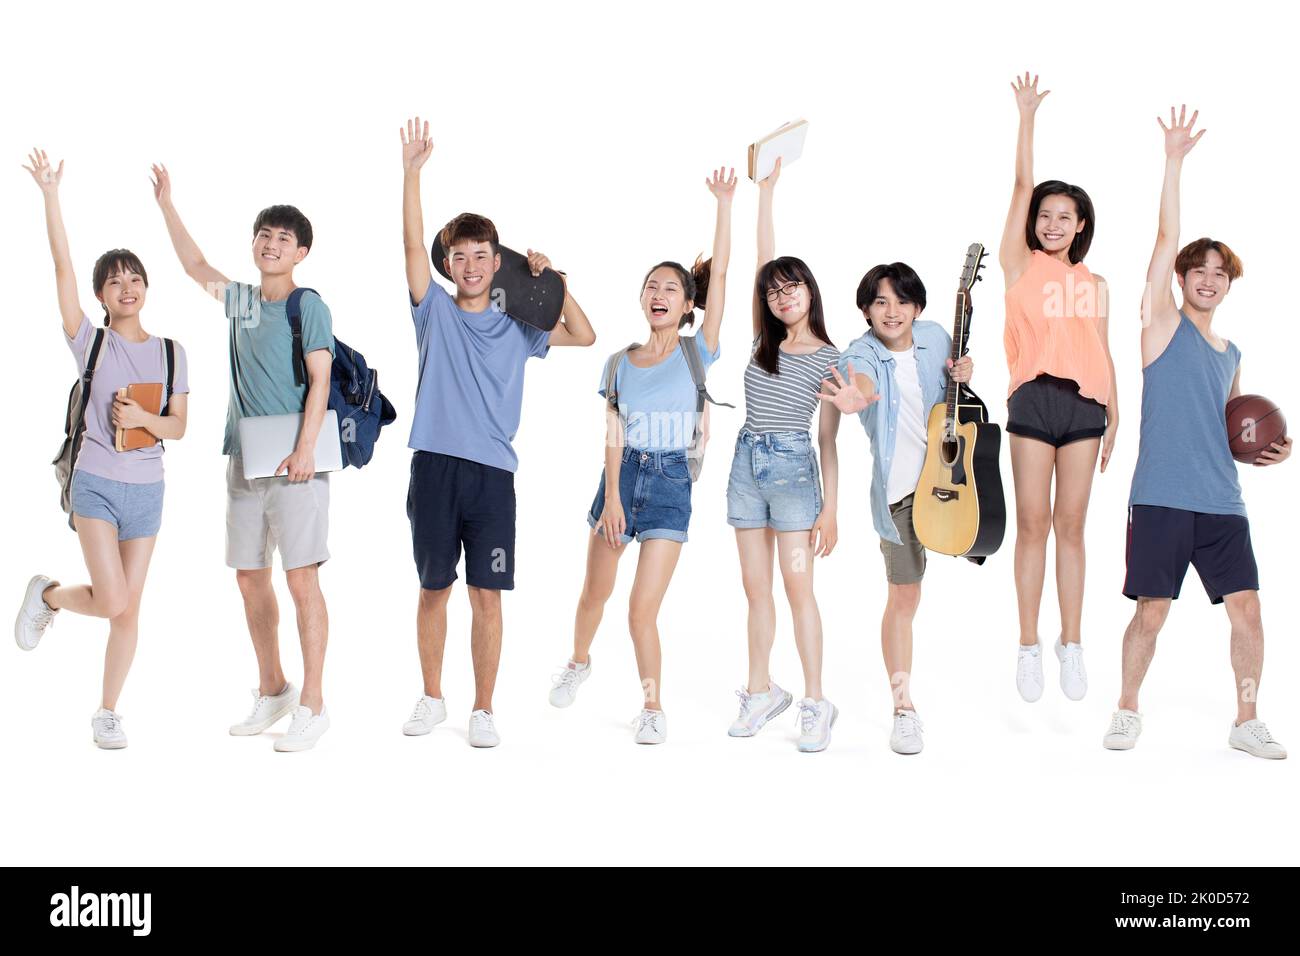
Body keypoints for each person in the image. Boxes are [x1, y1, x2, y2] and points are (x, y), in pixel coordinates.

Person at [398, 118, 596, 748]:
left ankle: (482, 709)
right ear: (449, 264)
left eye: (482, 255)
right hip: (434, 467)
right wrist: (412, 173)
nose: (471, 264)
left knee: (488, 594)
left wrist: (552, 280)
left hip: (492, 477)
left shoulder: (519, 323)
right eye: (459, 256)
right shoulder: (432, 311)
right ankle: (432, 698)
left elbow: (585, 334)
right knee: (434, 589)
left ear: (497, 259)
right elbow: (409, 249)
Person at [1103, 106, 1291, 758]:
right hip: (1160, 494)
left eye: (1220, 273)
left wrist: (1267, 450)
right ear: (1181, 280)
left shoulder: (1232, 352)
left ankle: (1246, 720)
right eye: (1199, 270)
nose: (1209, 279)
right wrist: (1174, 161)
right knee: (1151, 612)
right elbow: (1164, 235)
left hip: (1221, 502)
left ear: (1227, 284)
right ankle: (1127, 708)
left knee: (1249, 611)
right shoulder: (1159, 324)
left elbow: (1234, 424)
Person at [547, 167, 737, 745]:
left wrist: (724, 205)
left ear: (687, 307)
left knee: (640, 609)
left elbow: (723, 271)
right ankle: (579, 659)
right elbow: (612, 434)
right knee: (594, 594)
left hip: (672, 482)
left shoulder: (697, 350)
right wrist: (611, 498)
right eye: (651, 286)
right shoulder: (618, 362)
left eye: (670, 289)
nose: (658, 295)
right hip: (622, 476)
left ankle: (651, 705)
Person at [153, 165, 336, 752]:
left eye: (284, 238)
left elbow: (320, 380)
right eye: (264, 235)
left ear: (301, 251)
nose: (271, 244)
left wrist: (307, 448)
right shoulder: (241, 301)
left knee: (301, 579)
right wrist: (167, 205)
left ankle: (313, 703)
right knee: (250, 578)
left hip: (295, 462)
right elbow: (194, 266)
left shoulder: (307, 306)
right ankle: (273, 687)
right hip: (245, 458)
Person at [15, 150, 190, 750]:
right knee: (112, 596)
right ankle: (49, 594)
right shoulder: (90, 344)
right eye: (114, 281)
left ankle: (107, 711)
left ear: (147, 286)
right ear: (101, 295)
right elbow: (62, 268)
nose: (127, 286)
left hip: (149, 492)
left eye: (134, 277)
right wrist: (49, 196)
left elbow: (179, 429)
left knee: (127, 612)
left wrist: (147, 416)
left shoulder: (171, 352)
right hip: (95, 482)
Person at [999, 73, 1118, 704]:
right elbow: (1022, 185)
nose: (1050, 222)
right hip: (1033, 399)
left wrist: (1115, 412)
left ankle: (1071, 643)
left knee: (1072, 527)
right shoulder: (1020, 264)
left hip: (1086, 406)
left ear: (1079, 226)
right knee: (1032, 524)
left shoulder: (1095, 282)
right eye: (1045, 215)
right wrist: (1026, 118)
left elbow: (1103, 348)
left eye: (1062, 217)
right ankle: (1027, 644)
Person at [820, 264, 973, 754]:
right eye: (880, 302)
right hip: (900, 498)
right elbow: (862, 383)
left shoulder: (934, 336)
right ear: (866, 310)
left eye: (901, 301)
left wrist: (965, 370)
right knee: (904, 600)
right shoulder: (860, 352)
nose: (892, 311)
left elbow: (956, 383)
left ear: (918, 308)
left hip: (951, 483)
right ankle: (903, 707)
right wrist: (854, 397)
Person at [726, 157, 843, 752]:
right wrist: (765, 194)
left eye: (791, 287)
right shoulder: (761, 341)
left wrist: (831, 509)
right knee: (755, 589)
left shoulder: (830, 356)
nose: (780, 296)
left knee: (800, 590)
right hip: (747, 466)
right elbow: (761, 262)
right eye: (774, 292)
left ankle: (817, 701)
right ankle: (761, 689)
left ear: (809, 292)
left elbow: (828, 438)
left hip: (797, 473)